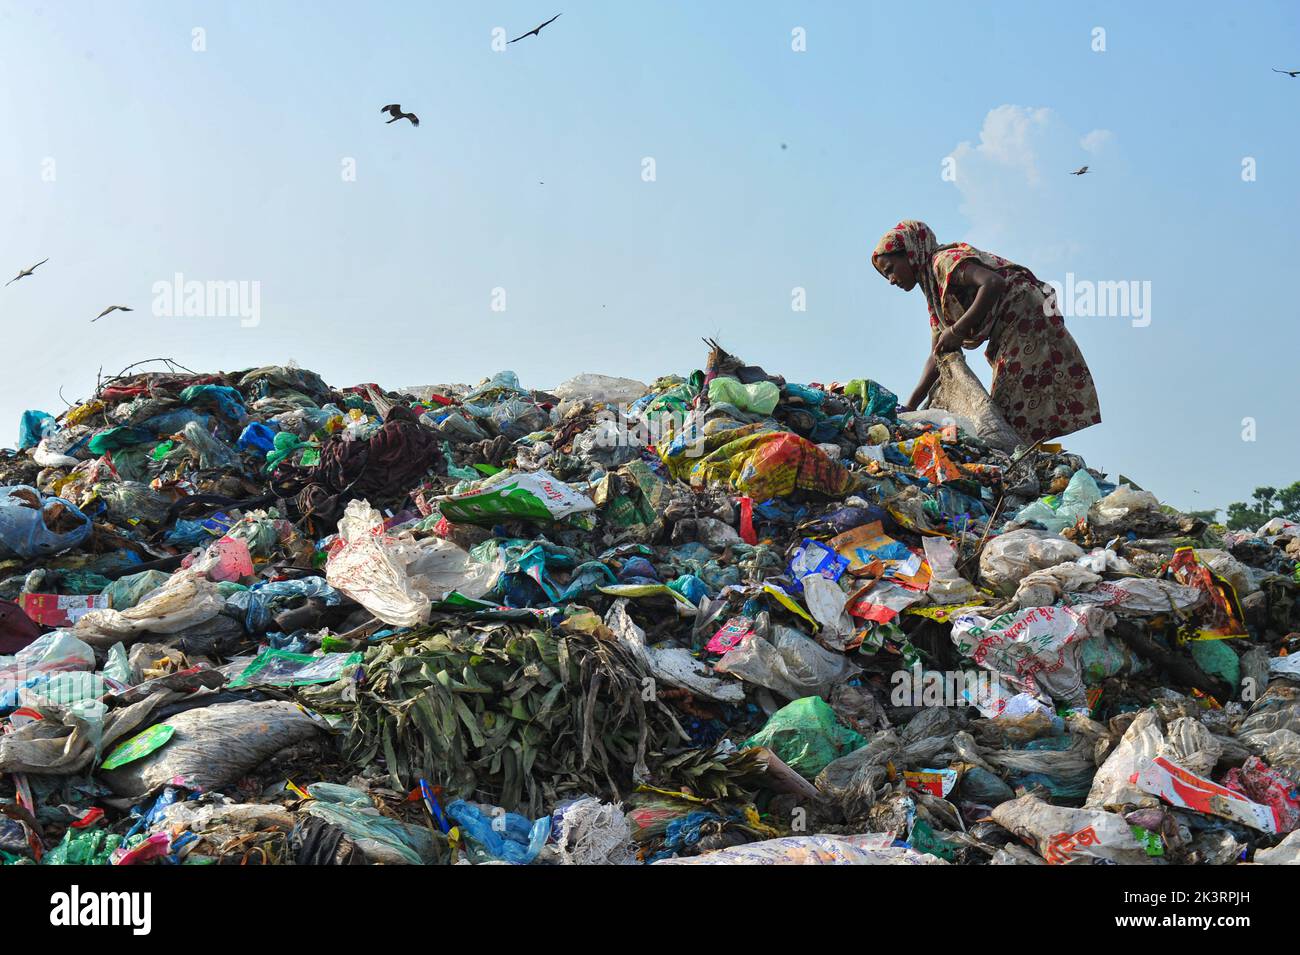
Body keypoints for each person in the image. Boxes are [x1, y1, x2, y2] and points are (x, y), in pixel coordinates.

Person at [872, 219, 1101, 443]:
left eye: (891, 269)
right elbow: (938, 354)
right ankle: (1028, 461)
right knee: (1012, 410)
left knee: (1005, 411)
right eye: (886, 276)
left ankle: (1020, 465)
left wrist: (958, 330)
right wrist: (910, 406)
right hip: (1013, 327)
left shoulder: (944, 261)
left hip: (1023, 315)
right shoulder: (934, 294)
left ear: (910, 252)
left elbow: (993, 282)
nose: (892, 280)